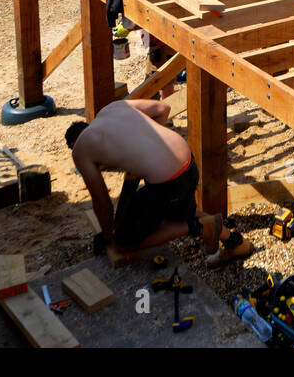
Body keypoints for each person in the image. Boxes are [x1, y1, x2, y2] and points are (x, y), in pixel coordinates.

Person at [66, 99, 252, 267]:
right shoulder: (111, 108)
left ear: (74, 143)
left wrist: (107, 236)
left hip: (168, 182)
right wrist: (152, 150)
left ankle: (199, 227)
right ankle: (236, 243)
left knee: (123, 242)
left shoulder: (80, 150)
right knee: (179, 210)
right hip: (188, 162)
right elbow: (163, 108)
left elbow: (102, 203)